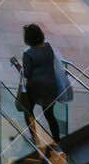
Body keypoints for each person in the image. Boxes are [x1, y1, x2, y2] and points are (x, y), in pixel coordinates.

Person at [11, 23, 62, 151]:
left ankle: (34, 138)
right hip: (50, 86)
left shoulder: (28, 53)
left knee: (28, 110)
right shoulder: (48, 47)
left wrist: (16, 64)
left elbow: (26, 74)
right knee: (49, 115)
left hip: (35, 87)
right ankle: (57, 140)